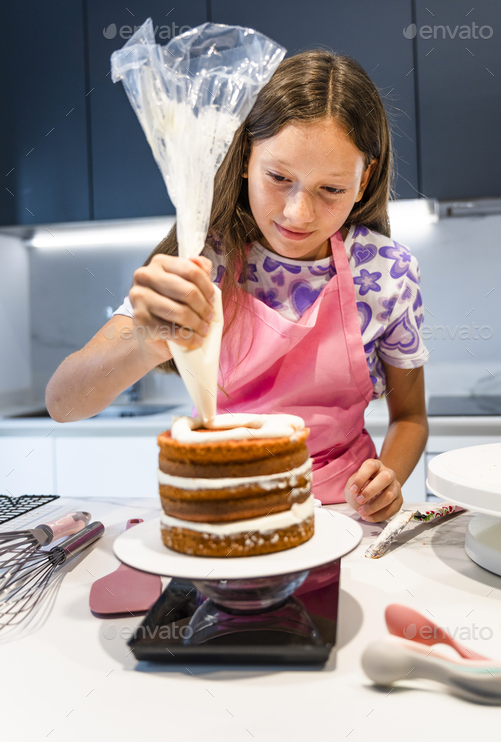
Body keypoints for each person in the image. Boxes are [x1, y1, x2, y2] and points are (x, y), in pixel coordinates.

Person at [46, 50, 428, 521]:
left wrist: (387, 477)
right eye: (279, 177)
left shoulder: (387, 272)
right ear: (247, 157)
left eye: (331, 189)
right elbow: (62, 404)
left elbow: (410, 417)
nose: (298, 213)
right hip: (222, 512)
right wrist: (146, 344)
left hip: (341, 516)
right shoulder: (204, 259)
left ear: (364, 179)